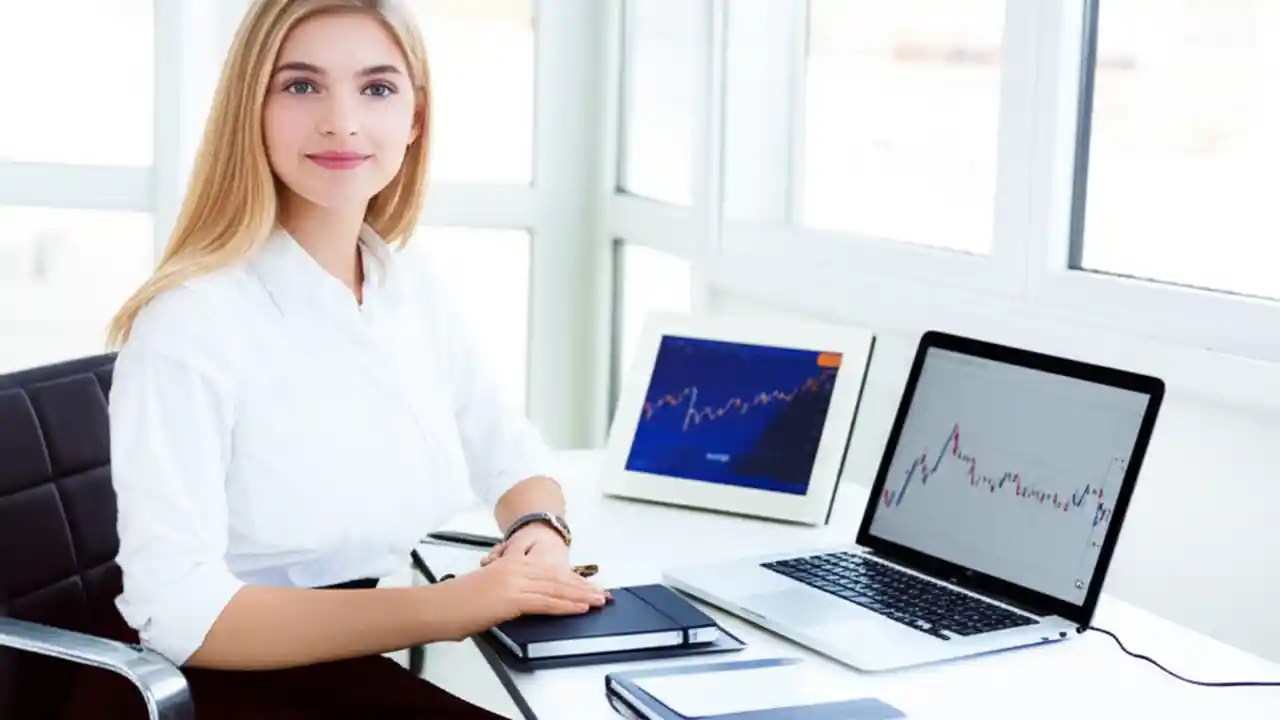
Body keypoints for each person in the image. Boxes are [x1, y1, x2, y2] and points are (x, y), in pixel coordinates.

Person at [69, 1, 607, 717]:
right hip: (232, 684)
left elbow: (510, 450)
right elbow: (181, 614)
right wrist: (451, 607)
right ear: (249, 111)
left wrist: (540, 531)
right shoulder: (191, 322)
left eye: (377, 88)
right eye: (300, 86)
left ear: (415, 119)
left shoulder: (403, 284)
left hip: (368, 647)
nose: (342, 121)